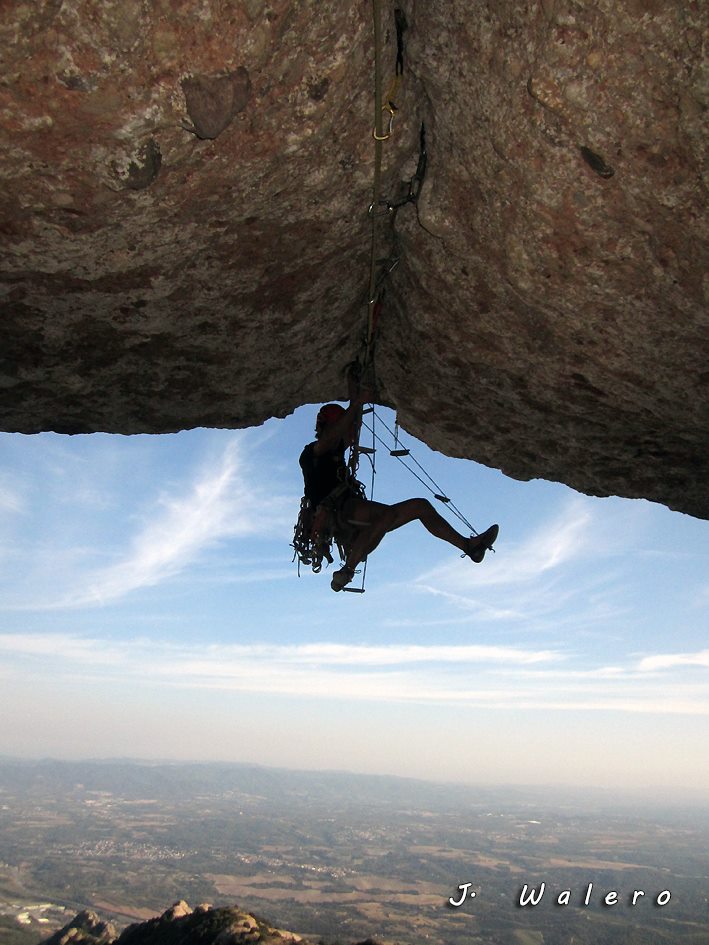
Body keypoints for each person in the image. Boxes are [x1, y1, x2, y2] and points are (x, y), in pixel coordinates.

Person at [299, 384, 499, 592]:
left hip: (347, 509)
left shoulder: (336, 450)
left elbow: (351, 429)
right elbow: (332, 437)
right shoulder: (311, 453)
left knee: (420, 507)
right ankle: (348, 570)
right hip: (336, 512)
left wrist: (355, 391)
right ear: (326, 428)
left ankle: (470, 547)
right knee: (384, 516)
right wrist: (357, 403)